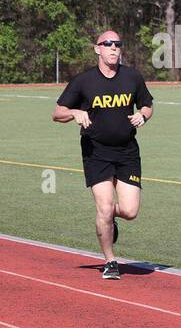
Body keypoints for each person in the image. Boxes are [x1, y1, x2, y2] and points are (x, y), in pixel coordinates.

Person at [52, 30, 154, 280]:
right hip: (96, 152)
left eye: (117, 44)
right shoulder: (84, 81)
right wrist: (75, 112)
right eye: (107, 44)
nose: (113, 48)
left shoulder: (132, 76)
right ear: (97, 49)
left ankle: (108, 219)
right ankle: (110, 260)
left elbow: (147, 105)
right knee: (105, 207)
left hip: (128, 152)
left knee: (130, 211)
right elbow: (57, 113)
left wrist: (143, 115)